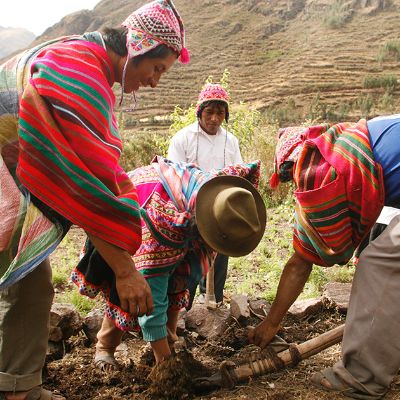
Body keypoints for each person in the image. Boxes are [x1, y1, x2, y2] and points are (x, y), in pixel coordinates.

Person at [0, 1, 189, 399]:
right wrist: (124, 269)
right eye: (157, 68)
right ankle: (17, 390)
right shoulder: (81, 73)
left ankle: (21, 385)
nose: (155, 81)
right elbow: (85, 186)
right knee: (26, 285)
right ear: (136, 49)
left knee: (33, 285)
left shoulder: (84, 57)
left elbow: (104, 170)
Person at [247, 115, 400, 399]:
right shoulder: (347, 138)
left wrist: (271, 322)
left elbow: (300, 262)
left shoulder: (320, 170)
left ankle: (361, 376)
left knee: (378, 266)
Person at [72, 157, 266, 368]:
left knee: (177, 281)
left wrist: (167, 341)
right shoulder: (162, 225)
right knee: (132, 292)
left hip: (178, 222)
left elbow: (179, 279)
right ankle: (106, 348)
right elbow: (152, 292)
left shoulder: (218, 200)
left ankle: (168, 341)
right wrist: (167, 368)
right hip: (133, 219)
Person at [167, 83, 243, 307]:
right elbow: (173, 175)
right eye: (209, 112)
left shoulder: (231, 142)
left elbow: (238, 172)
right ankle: (184, 307)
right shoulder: (182, 139)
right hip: (189, 208)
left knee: (219, 258)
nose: (214, 118)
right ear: (199, 112)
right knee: (189, 260)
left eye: (220, 113)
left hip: (220, 209)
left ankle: (215, 302)